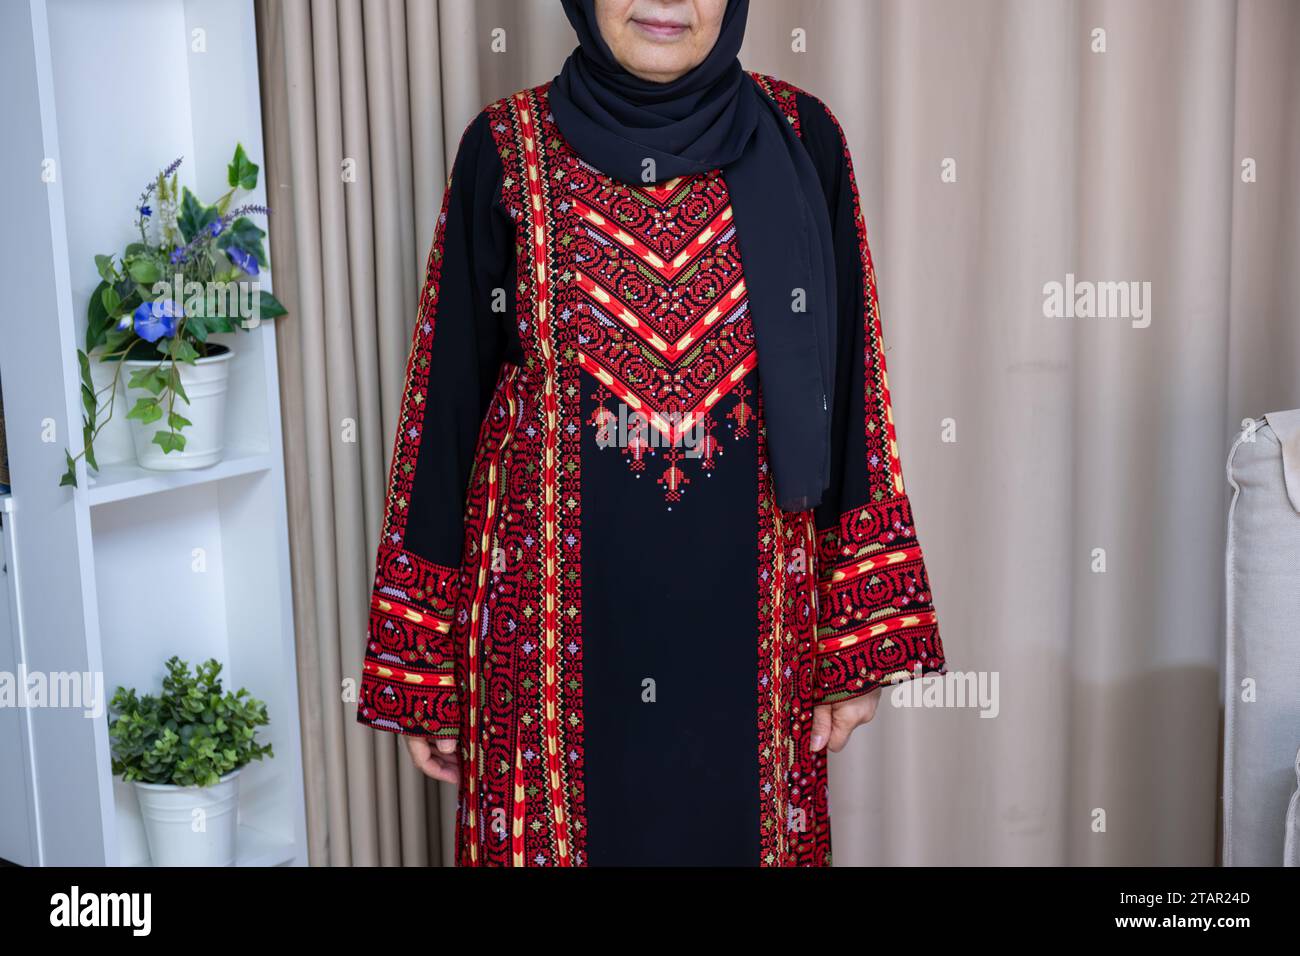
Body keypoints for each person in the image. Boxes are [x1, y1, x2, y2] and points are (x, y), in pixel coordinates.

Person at [356, 0, 946, 867]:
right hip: (544, 656)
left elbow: (851, 384)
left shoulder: (800, 138)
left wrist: (854, 645)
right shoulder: (506, 149)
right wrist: (424, 669)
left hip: (756, 651)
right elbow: (443, 411)